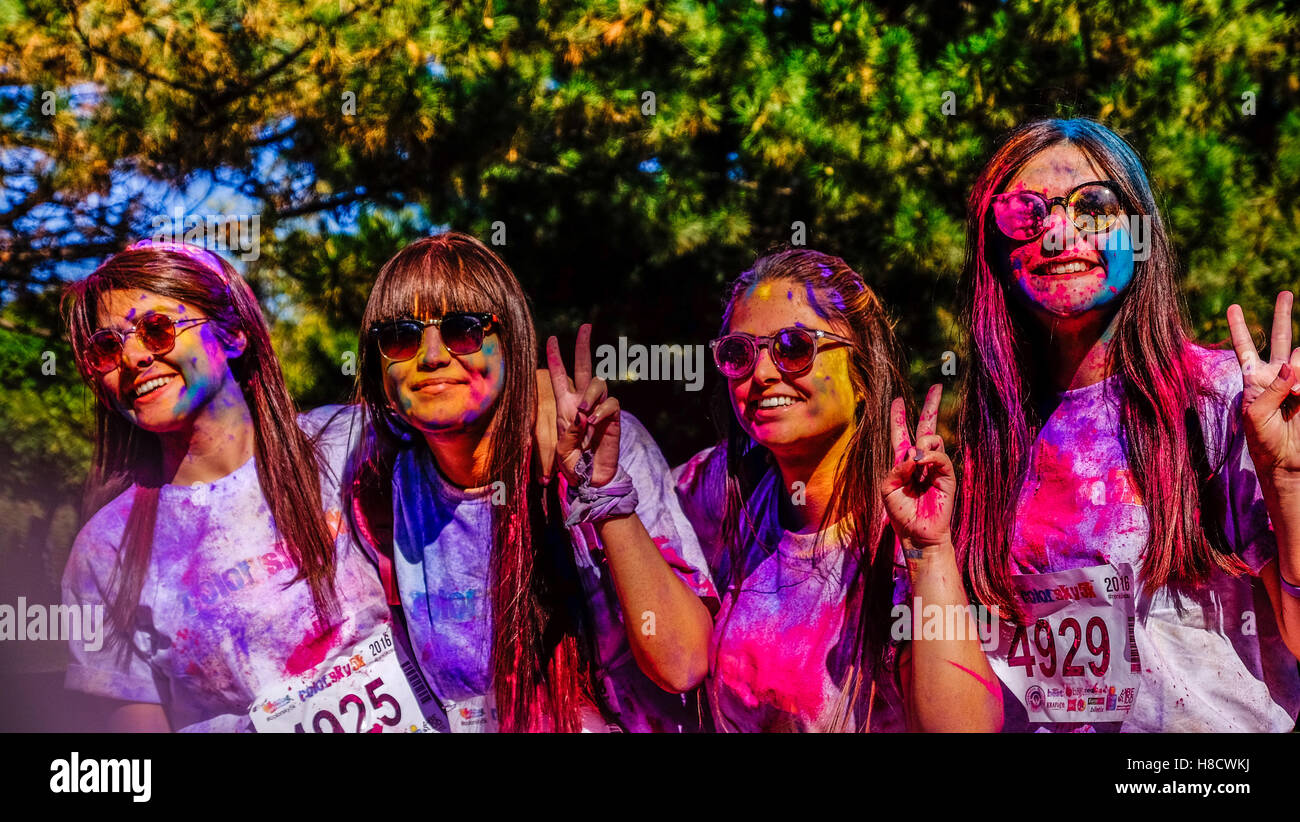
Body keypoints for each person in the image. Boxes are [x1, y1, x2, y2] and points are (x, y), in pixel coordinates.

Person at [956, 117, 1300, 731]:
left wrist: (1288, 482)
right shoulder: (990, 441)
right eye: (1025, 213)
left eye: (1094, 207)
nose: (1059, 235)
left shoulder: (1223, 402)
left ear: (1140, 230)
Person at [345, 232, 716, 732]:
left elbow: (684, 663)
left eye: (464, 329)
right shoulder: (379, 476)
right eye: (400, 336)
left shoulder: (597, 442)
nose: (431, 355)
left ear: (512, 343)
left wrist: (601, 493)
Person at [60, 241, 427, 733]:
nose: (132, 358)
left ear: (232, 333)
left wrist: (534, 403)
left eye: (156, 329)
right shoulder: (104, 553)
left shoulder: (354, 444)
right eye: (107, 347)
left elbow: (480, 460)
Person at [674, 246, 1003, 731]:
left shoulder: (915, 526)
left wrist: (927, 554)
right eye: (738, 353)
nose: (762, 375)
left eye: (792, 346)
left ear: (862, 370)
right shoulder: (719, 493)